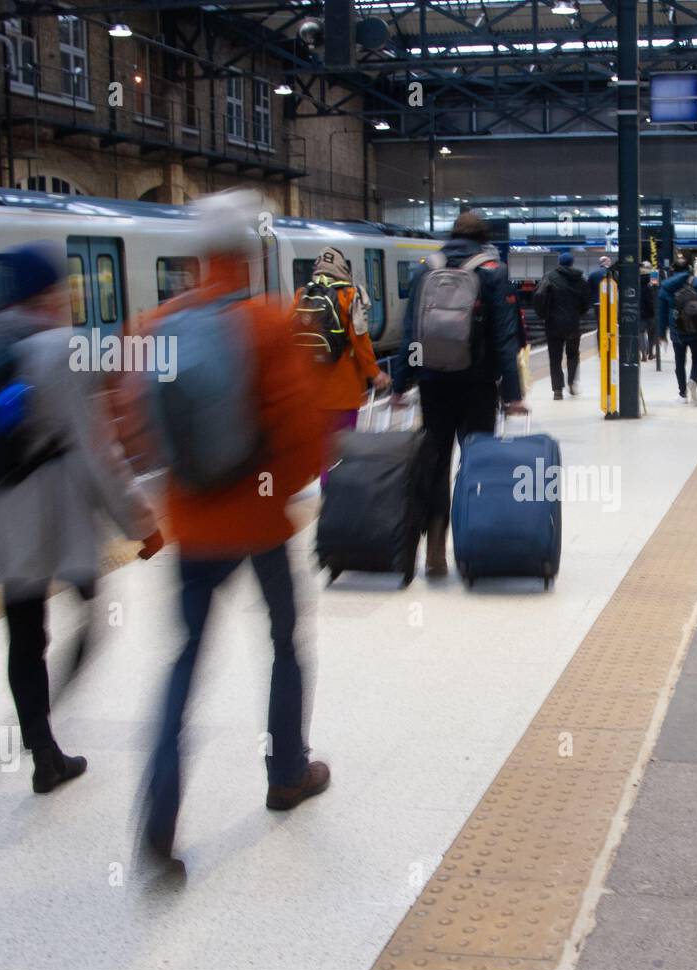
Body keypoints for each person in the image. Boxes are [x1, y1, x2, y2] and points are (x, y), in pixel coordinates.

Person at [143, 193, 325, 872]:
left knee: (183, 663)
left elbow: (138, 431)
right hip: (260, 521)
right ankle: (287, 771)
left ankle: (159, 816)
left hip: (191, 527)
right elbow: (305, 439)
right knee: (283, 641)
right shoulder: (270, 324)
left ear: (193, 255)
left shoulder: (157, 327)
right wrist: (276, 486)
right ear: (250, 252)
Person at [0, 242, 162, 794]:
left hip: (2, 514)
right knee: (93, 613)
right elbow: (98, 452)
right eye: (63, 289)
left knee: (24, 634)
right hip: (55, 515)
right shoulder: (60, 349)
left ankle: (39, 744)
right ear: (46, 293)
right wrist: (141, 523)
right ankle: (44, 737)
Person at [391, 211, 528, 577]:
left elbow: (411, 335)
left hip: (434, 383)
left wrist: (400, 385)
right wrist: (513, 393)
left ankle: (435, 550)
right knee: (477, 463)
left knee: (435, 463)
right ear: (484, 238)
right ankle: (474, 545)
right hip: (478, 384)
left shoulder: (425, 269)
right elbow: (504, 338)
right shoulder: (492, 271)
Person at [292, 245, 390, 484]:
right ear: (342, 268)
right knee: (343, 449)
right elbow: (361, 341)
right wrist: (376, 374)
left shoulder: (302, 295)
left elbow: (292, 337)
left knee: (323, 450)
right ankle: (338, 494)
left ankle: (325, 490)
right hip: (343, 393)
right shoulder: (349, 296)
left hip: (312, 391)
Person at [533, 251, 590, 399]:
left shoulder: (550, 277)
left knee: (555, 357)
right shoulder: (580, 279)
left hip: (553, 323)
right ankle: (572, 383)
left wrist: (543, 314)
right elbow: (586, 302)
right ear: (572, 263)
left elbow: (539, 296)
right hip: (573, 324)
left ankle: (557, 390)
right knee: (573, 355)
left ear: (559, 262)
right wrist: (578, 313)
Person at [657, 250, 697, 405]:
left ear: (673, 270)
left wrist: (661, 334)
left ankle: (682, 394)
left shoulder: (666, 287)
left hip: (677, 330)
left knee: (679, 362)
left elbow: (661, 314)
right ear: (689, 269)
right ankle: (693, 379)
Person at [640, 261, 659, 361]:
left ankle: (643, 354)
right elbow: (655, 294)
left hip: (640, 310)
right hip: (651, 310)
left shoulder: (635, 279)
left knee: (641, 332)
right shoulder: (653, 278)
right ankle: (651, 353)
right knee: (652, 333)